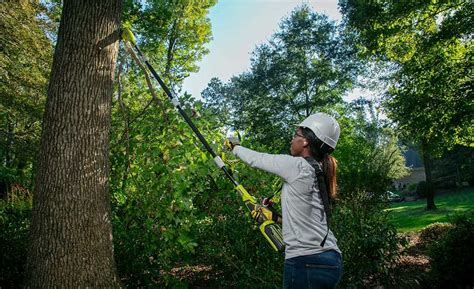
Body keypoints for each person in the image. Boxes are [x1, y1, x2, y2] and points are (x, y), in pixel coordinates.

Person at [226, 112, 343, 289]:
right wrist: (275, 218)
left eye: (296, 135)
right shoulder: (318, 171)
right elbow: (306, 219)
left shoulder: (298, 166)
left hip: (306, 260)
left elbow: (258, 159)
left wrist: (234, 147)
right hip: (331, 259)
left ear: (305, 142)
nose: (292, 139)